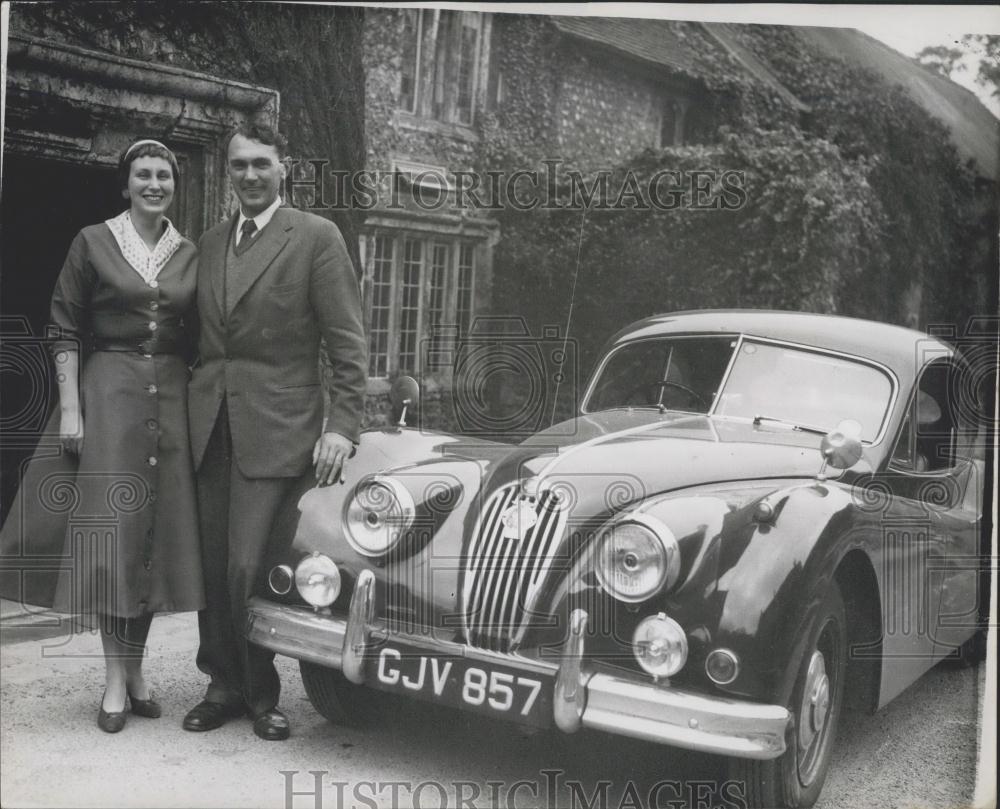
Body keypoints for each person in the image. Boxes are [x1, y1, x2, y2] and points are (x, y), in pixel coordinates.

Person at [0, 139, 205, 733]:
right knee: (112, 539)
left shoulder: (188, 251)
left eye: (163, 175)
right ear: (125, 184)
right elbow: (62, 324)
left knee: (153, 540)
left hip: (169, 400)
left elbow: (197, 334)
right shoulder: (92, 240)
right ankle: (115, 680)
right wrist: (71, 408)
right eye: (143, 174)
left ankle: (138, 672)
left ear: (174, 185)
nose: (154, 183)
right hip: (107, 394)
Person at [183, 123, 367, 741]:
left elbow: (346, 343)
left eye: (262, 163)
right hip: (210, 424)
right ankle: (221, 685)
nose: (250, 176)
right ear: (229, 172)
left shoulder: (315, 237)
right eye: (239, 166)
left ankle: (261, 694)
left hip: (278, 428)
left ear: (284, 168)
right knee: (212, 567)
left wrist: (342, 425)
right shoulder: (209, 243)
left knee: (246, 566)